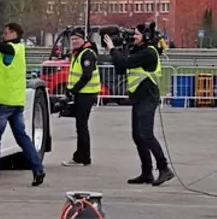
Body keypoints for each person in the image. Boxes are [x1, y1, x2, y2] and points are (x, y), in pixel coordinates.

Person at [0, 22, 45, 187]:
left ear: (14, 34)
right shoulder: (16, 50)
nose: (4, 35)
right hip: (16, 102)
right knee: (22, 137)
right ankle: (38, 168)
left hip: (4, 102)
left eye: (6, 32)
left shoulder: (11, 49)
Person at [105, 23, 174, 186]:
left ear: (146, 36)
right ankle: (147, 171)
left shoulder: (149, 53)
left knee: (146, 134)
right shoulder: (139, 51)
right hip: (138, 97)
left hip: (148, 97)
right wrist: (119, 51)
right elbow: (121, 68)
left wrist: (113, 49)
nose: (133, 37)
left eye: (136, 34)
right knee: (137, 135)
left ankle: (164, 168)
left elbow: (125, 63)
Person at [61, 28, 100, 168]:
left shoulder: (87, 54)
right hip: (82, 93)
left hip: (86, 94)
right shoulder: (78, 53)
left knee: (82, 126)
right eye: (72, 39)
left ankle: (82, 158)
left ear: (83, 39)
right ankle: (82, 156)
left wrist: (73, 90)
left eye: (77, 39)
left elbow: (86, 75)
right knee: (81, 126)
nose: (74, 42)